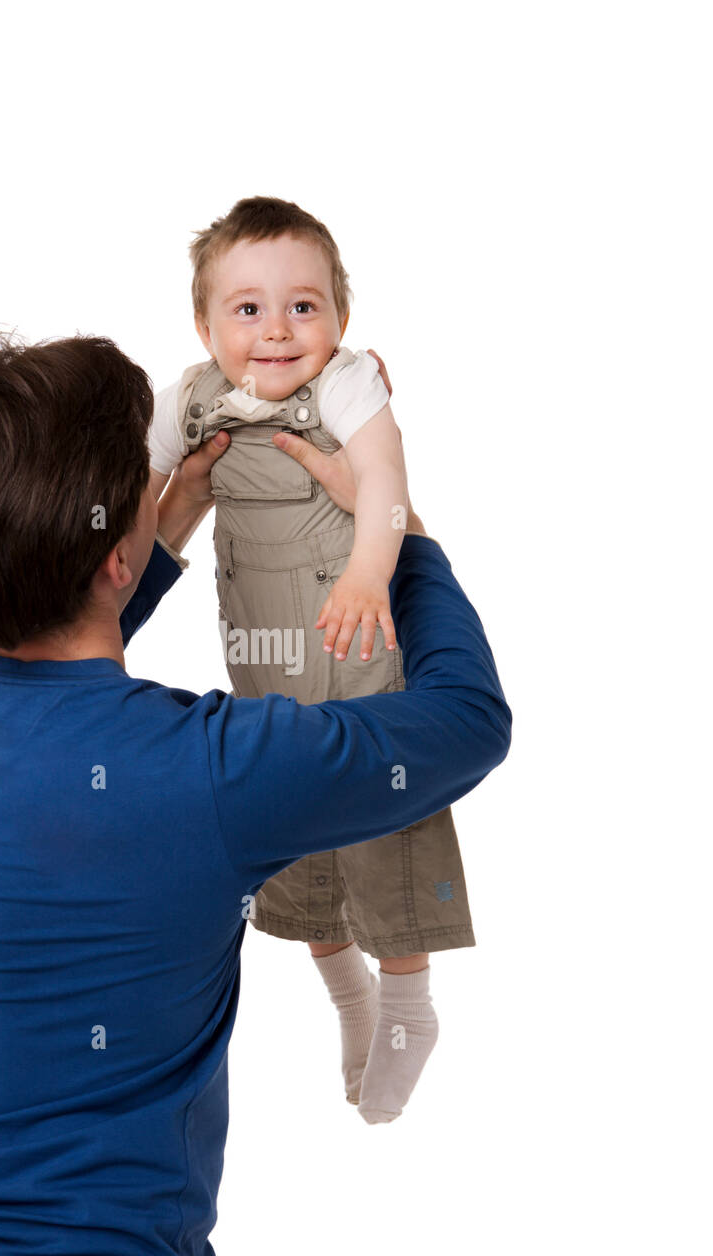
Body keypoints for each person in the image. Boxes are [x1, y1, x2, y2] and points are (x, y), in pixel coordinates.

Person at [0, 329, 510, 1256]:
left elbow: (53, 692)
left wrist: (158, 525)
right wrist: (393, 528)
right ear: (114, 557)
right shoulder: (216, 773)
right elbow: (465, 722)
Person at [148, 195, 477, 1120]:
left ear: (339, 317)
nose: (278, 329)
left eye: (305, 304)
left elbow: (381, 477)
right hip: (267, 682)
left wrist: (373, 573)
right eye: (246, 308)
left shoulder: (345, 385)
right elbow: (132, 490)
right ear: (204, 324)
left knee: (384, 836)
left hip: (363, 671)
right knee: (289, 860)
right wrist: (145, 523)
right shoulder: (187, 398)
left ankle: (407, 1001)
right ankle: (349, 1000)